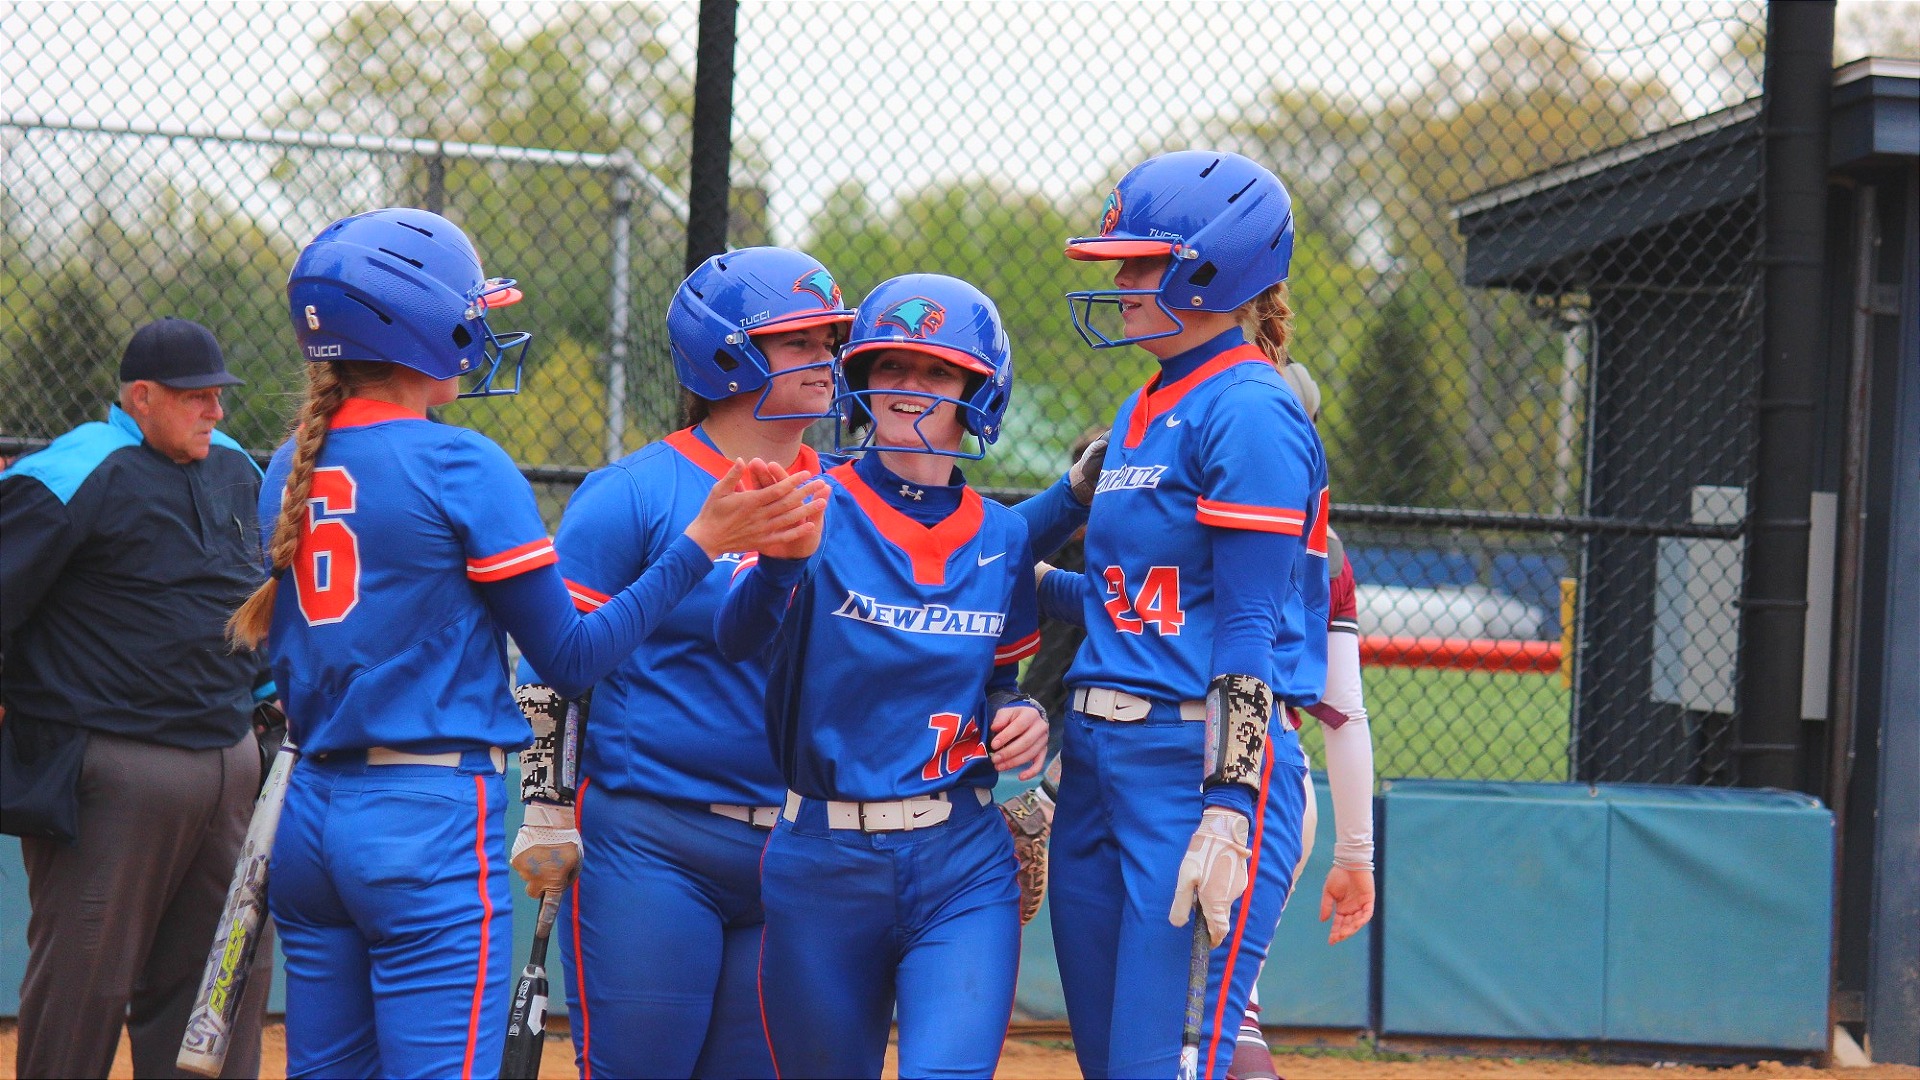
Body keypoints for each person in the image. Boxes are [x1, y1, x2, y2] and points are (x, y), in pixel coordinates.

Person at [226, 207, 824, 1079]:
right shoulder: (462, 464)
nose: (482, 325)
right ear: (412, 321)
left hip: (310, 813)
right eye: (469, 308)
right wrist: (701, 543)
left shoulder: (287, 464)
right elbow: (572, 658)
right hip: (421, 820)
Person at [509, 246, 856, 1079]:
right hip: (653, 840)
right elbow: (552, 670)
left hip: (796, 848)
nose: (827, 359)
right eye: (799, 341)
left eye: (830, 339)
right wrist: (547, 805)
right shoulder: (634, 491)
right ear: (729, 350)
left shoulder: (851, 491)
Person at [1038, 149, 1331, 1080]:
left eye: (1141, 260)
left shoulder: (1246, 407)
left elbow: (1246, 630)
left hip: (1191, 768)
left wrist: (1230, 806)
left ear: (1213, 266)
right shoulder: (1144, 403)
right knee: (1111, 1062)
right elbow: (1134, 611)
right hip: (1096, 766)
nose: (1120, 281)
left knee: (1160, 1067)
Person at [714, 274, 1051, 1077]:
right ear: (859, 382)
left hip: (961, 857)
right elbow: (735, 636)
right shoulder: (806, 496)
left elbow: (999, 681)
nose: (908, 389)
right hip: (821, 861)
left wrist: (1021, 712)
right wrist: (776, 567)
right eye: (890, 367)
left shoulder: (1002, 536)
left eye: (935, 372)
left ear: (978, 389)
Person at [0, 317, 277, 1078]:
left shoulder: (233, 469)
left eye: (219, 396)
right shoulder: (72, 471)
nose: (215, 411)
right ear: (143, 397)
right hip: (114, 771)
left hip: (227, 762)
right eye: (197, 398)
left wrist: (272, 700)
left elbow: (252, 605)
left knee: (220, 993)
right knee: (83, 989)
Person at [1229, 361, 1377, 1080]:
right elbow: (1342, 715)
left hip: (1197, 770)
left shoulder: (1176, 510)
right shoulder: (1329, 546)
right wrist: (1356, 856)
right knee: (1227, 1013)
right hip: (1284, 787)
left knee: (1196, 1025)